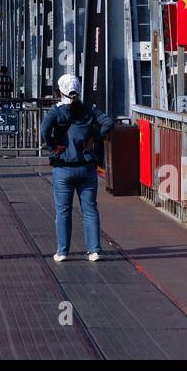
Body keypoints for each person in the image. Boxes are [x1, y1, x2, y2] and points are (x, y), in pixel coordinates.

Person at [41, 74, 115, 262]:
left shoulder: (56, 111)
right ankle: (94, 250)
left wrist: (53, 146)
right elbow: (108, 122)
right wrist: (94, 137)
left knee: (63, 210)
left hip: (63, 167)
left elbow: (44, 131)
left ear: (60, 91)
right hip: (87, 166)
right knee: (90, 210)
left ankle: (63, 251)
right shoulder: (88, 109)